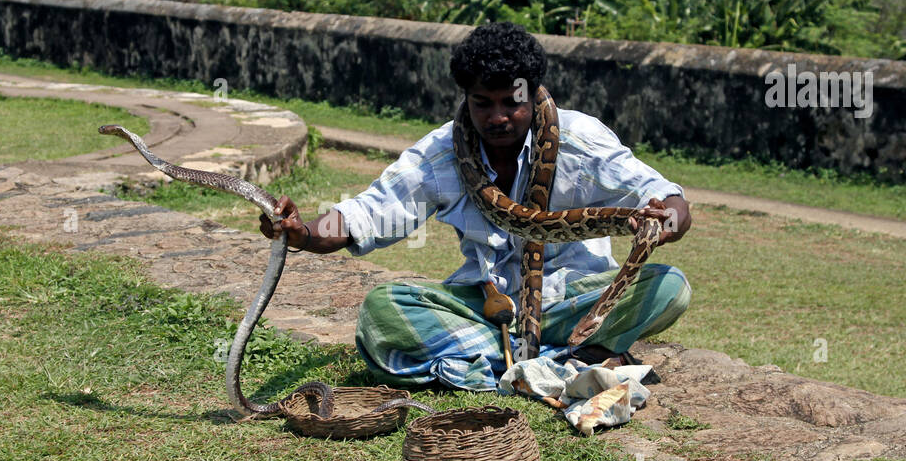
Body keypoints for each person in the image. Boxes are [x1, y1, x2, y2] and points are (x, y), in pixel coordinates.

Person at [259, 22, 693, 393]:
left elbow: (667, 197)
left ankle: (500, 364)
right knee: (381, 311)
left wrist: (664, 220)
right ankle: (562, 362)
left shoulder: (582, 139)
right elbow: (368, 212)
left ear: (533, 93)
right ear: (467, 97)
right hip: (489, 305)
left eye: (512, 103)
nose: (498, 117)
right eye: (483, 103)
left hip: (573, 299)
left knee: (670, 286)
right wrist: (304, 233)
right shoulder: (441, 152)